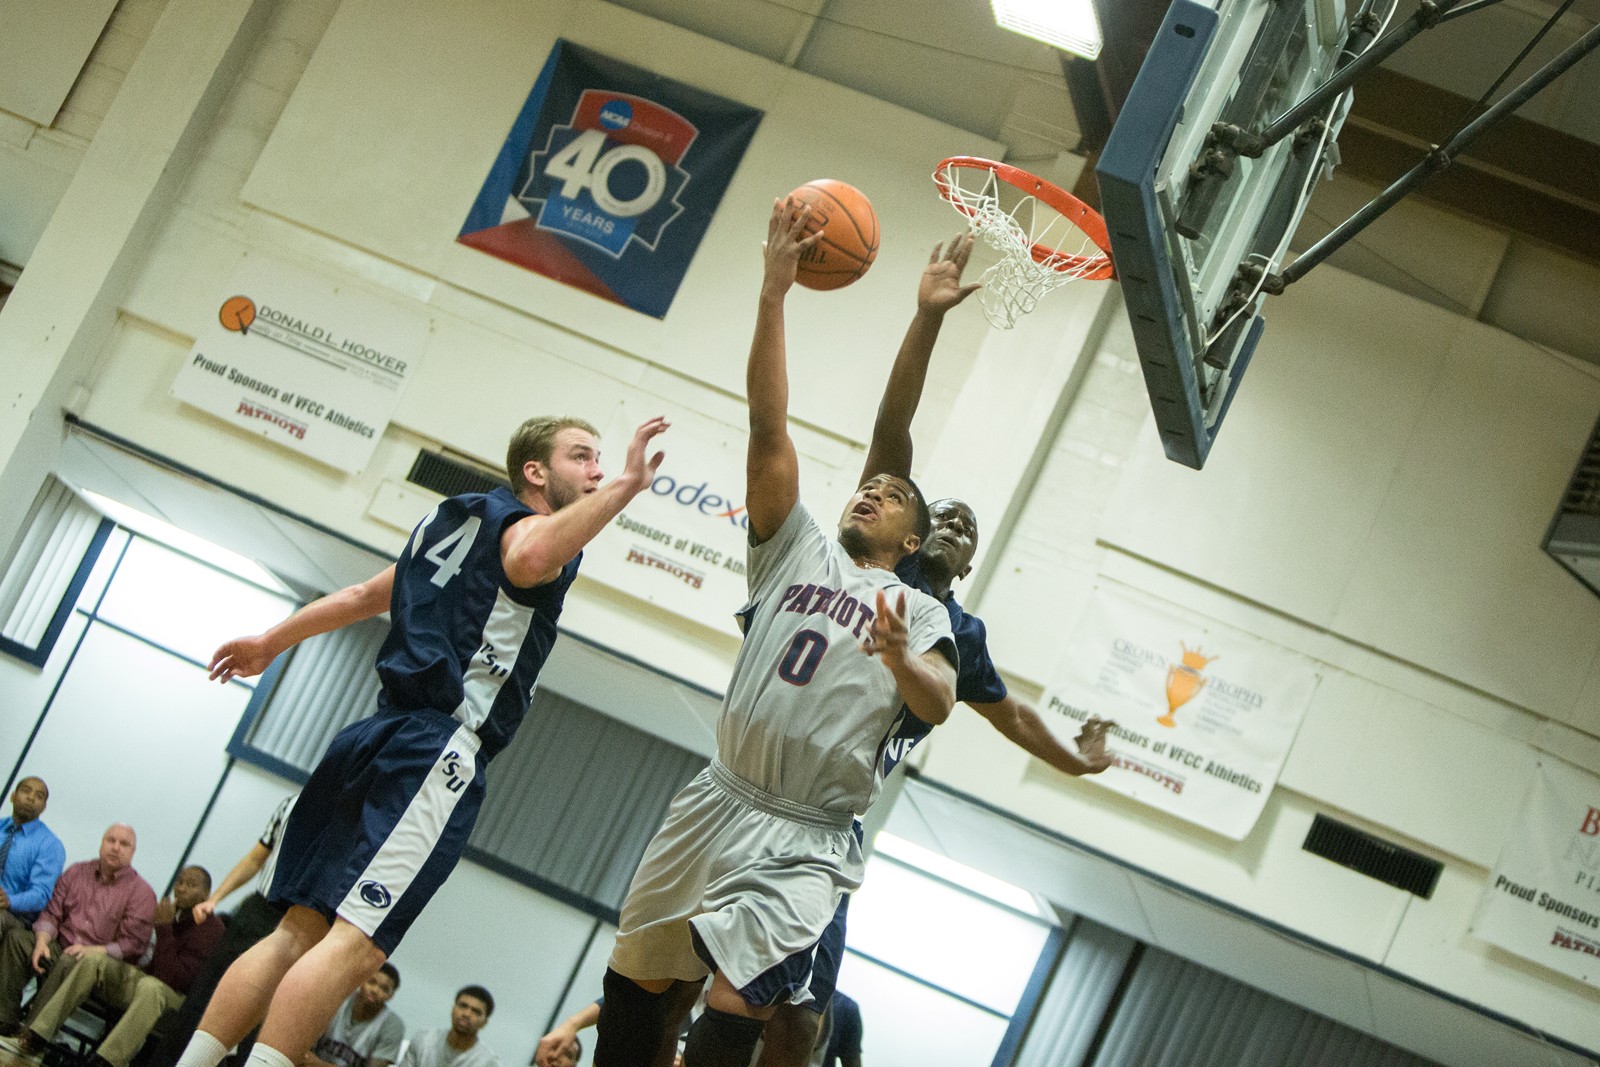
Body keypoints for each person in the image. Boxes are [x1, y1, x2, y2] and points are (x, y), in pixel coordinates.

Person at [172, 414, 669, 1067]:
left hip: (371, 734)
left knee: (296, 931)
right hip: (436, 749)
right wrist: (628, 487)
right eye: (583, 457)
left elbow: (360, 594)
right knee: (358, 943)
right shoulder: (527, 532)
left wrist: (272, 641)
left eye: (603, 461)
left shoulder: (448, 520)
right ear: (536, 471)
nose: (597, 470)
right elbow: (531, 556)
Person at [596, 199, 958, 1067]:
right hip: (720, 792)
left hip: (805, 829)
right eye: (867, 488)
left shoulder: (930, 614)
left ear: (912, 543)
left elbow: (939, 702)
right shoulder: (792, 547)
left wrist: (905, 656)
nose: (870, 493)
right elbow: (769, 427)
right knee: (634, 988)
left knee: (743, 1006)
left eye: (893, 497)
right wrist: (774, 292)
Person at [757, 236, 1116, 1067]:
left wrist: (1077, 762)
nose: (954, 526)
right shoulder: (882, 555)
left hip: (830, 814)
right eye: (943, 515)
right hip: (763, 772)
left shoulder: (957, 632)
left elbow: (1015, 716)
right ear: (914, 532)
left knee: (802, 1018)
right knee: (674, 978)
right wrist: (926, 319)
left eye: (969, 528)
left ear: (970, 560)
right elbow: (895, 425)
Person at [6, 866, 223, 1067]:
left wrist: (164, 927)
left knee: (151, 988)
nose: (182, 889)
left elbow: (176, 977)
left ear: (206, 894)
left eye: (191, 885)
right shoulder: (172, 913)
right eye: (180, 882)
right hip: (148, 982)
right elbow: (150, 962)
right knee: (93, 960)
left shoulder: (211, 929)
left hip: (176, 1000)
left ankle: (106, 1061)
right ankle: (38, 1034)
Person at [150, 794, 299, 1067]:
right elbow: (256, 859)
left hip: (296, 922)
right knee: (203, 999)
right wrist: (214, 898)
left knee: (258, 1020)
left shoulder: (352, 817)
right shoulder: (290, 803)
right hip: (258, 909)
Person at [0, 824, 155, 1034]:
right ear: (102, 843)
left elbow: (132, 945)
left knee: (70, 960)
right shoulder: (77, 872)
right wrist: (42, 941)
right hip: (59, 946)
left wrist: (94, 951)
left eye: (124, 844)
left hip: (97, 965)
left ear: (132, 852)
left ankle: (33, 1033)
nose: (116, 847)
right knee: (18, 939)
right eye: (111, 840)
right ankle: (4, 1019)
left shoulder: (141, 893)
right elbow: (51, 913)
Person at [304, 966, 403, 1067]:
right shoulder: (337, 998)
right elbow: (303, 1049)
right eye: (371, 982)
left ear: (391, 996)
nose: (375, 990)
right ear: (362, 980)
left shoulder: (392, 1026)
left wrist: (318, 1064)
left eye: (384, 989)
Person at [0, 777, 64, 928]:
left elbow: (40, 895)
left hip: (16, 915)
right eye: (26, 791)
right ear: (13, 797)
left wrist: (9, 900)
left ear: (43, 807)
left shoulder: (50, 845)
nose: (31, 798)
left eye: (39, 796)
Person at [398, 986, 501, 1067]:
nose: (467, 1014)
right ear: (453, 1009)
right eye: (463, 1006)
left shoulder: (488, 1062)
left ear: (484, 1023)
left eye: (476, 1011)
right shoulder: (424, 1040)